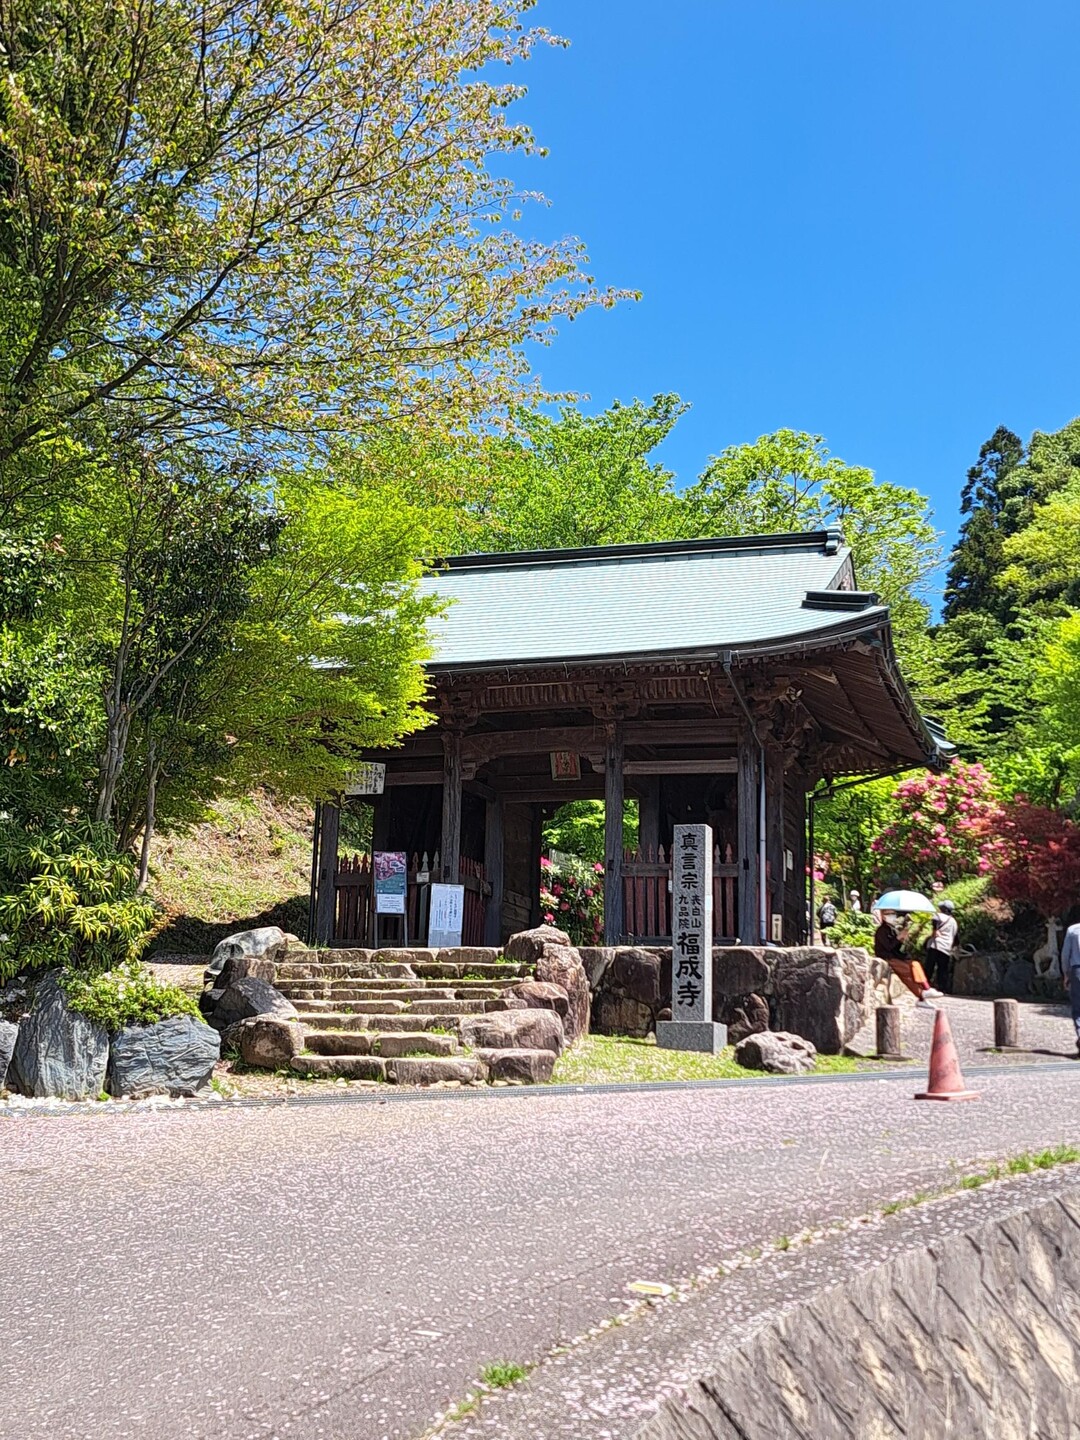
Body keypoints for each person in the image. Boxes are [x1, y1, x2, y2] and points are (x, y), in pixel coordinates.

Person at [873, 914, 943, 1006]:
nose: (892, 916)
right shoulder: (881, 931)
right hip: (887, 957)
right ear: (883, 916)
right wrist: (898, 938)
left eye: (893, 913)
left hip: (895, 956)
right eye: (888, 913)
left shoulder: (891, 929)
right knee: (907, 971)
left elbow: (895, 947)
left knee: (915, 964)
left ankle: (926, 989)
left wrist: (901, 940)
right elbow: (888, 947)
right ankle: (921, 995)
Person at [923, 899, 958, 994]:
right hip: (946, 948)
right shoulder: (954, 921)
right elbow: (955, 936)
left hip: (936, 945)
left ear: (944, 909)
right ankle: (942, 988)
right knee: (943, 969)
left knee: (929, 966)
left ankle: (925, 986)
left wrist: (935, 930)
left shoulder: (939, 915)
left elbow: (934, 919)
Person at [1061, 920, 1080, 1058]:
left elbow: (1065, 954)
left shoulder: (1073, 930)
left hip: (1077, 970)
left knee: (1078, 1008)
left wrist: (1066, 973)